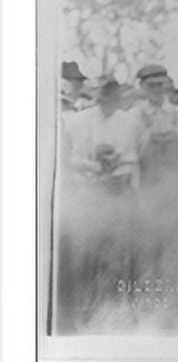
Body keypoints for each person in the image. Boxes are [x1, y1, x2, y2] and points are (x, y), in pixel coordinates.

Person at [58, 76, 144, 331]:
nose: (109, 98)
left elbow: (134, 156)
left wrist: (118, 163)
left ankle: (116, 310)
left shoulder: (128, 121)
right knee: (87, 252)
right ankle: (84, 310)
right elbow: (69, 157)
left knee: (118, 252)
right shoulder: (78, 120)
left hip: (117, 190)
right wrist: (94, 165)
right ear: (97, 95)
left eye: (114, 93)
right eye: (104, 93)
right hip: (89, 191)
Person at [131, 64, 178, 312]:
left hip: (174, 189)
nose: (157, 90)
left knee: (175, 251)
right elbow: (133, 158)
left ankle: (172, 309)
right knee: (147, 250)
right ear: (143, 88)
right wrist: (138, 196)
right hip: (147, 190)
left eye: (161, 85)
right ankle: (145, 309)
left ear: (167, 85)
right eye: (151, 86)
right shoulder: (135, 116)